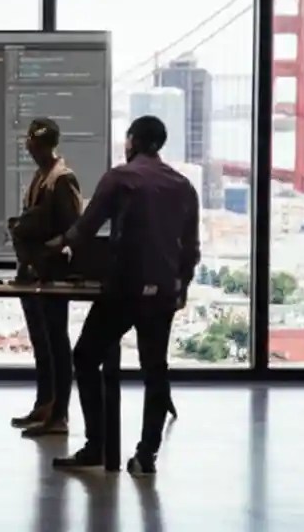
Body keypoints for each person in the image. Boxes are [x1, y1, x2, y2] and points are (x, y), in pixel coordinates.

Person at [47, 115, 200, 477]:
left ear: (131, 140)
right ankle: (146, 455)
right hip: (163, 291)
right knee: (155, 370)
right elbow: (190, 249)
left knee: (85, 357)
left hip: (124, 288)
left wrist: (54, 245)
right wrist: (182, 288)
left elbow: (86, 228)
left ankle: (96, 446)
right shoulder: (184, 186)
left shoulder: (120, 177)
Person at [8, 118, 83, 438]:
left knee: (56, 341)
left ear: (41, 144)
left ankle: (60, 414)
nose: (28, 146)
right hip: (31, 270)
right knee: (41, 341)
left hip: (51, 272)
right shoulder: (41, 176)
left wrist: (52, 247)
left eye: (32, 141)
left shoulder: (62, 179)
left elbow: (72, 228)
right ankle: (44, 404)